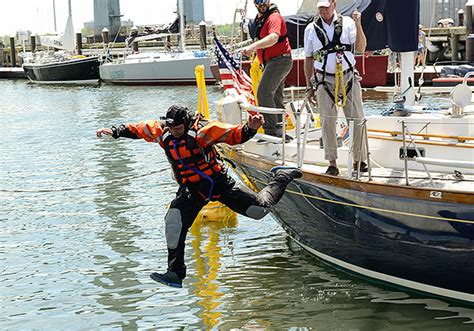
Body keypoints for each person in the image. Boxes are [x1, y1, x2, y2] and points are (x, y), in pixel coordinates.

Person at [96, 105, 302, 288]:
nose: (174, 133)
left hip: (218, 184)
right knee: (173, 222)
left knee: (260, 210)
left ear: (185, 123)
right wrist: (114, 131)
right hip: (190, 190)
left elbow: (235, 135)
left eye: (178, 129)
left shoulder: (204, 132)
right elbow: (138, 129)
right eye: (171, 129)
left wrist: (251, 127)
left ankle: (282, 177)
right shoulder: (163, 132)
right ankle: (175, 273)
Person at [304, 0, 367, 176]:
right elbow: (308, 59)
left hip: (348, 77)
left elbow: (361, 48)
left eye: (326, 6)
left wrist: (358, 23)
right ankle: (332, 162)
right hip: (324, 80)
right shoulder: (310, 29)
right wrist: (309, 87)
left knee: (357, 120)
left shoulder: (348, 23)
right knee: (327, 122)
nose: (323, 10)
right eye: (320, 7)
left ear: (334, 4)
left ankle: (359, 160)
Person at [243, 0, 293, 138]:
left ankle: (271, 133)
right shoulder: (260, 19)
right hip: (272, 62)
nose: (262, 3)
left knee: (263, 93)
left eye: (264, 0)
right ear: (254, 3)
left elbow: (273, 37)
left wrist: (253, 47)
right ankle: (281, 132)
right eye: (258, 1)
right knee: (276, 97)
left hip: (279, 60)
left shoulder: (273, 17)